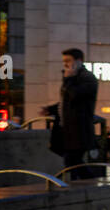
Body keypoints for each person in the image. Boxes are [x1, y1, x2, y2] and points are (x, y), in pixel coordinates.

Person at [41, 48, 100, 176]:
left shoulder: (87, 77)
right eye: (64, 61)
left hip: (79, 129)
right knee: (71, 161)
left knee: (72, 160)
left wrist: (68, 80)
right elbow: (66, 102)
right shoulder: (72, 79)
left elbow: (76, 95)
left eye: (68, 60)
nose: (65, 64)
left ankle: (88, 183)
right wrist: (50, 109)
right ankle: (82, 184)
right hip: (68, 129)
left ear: (79, 61)